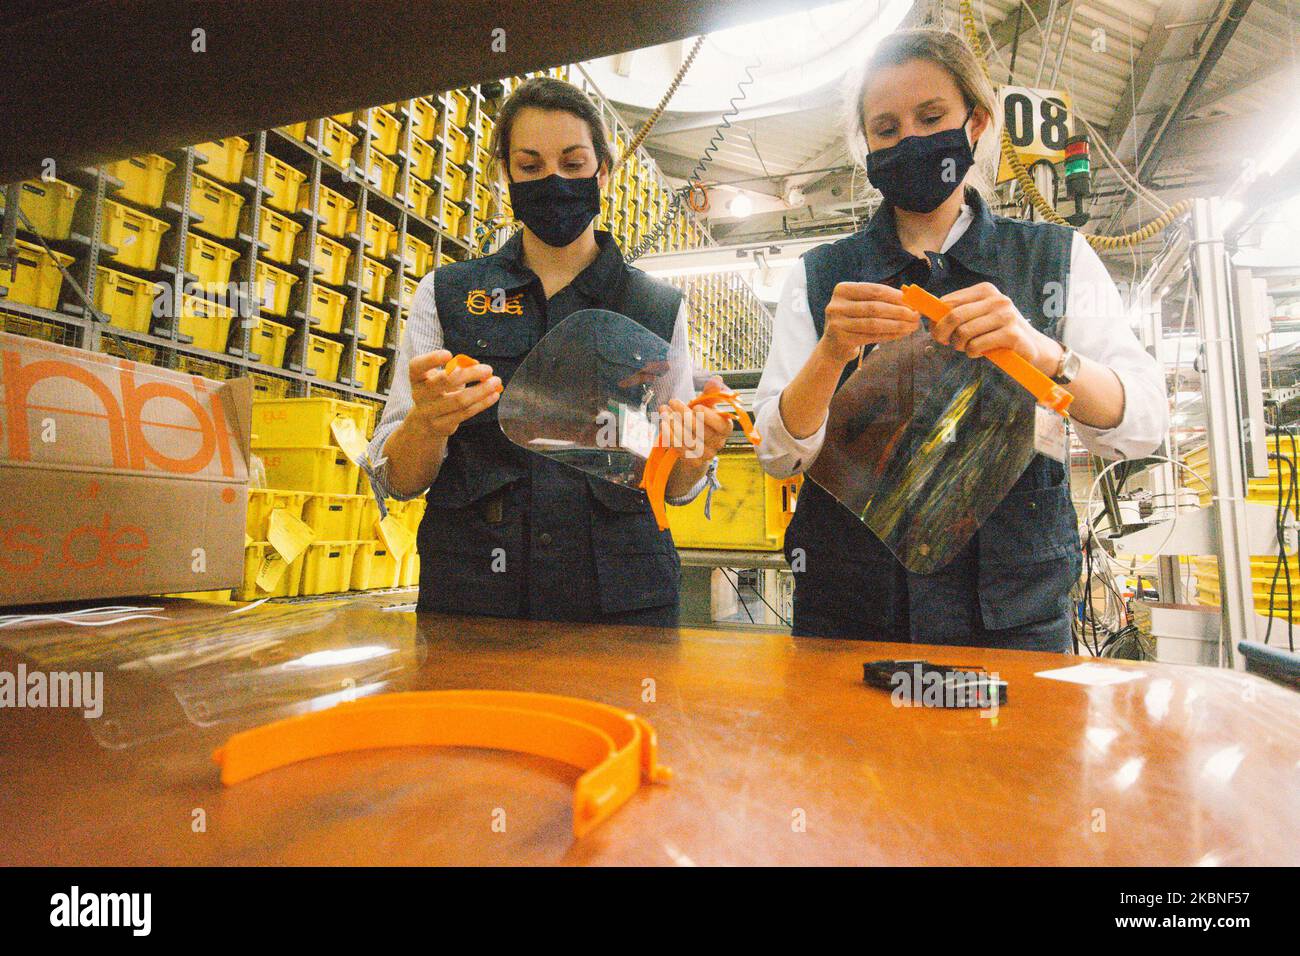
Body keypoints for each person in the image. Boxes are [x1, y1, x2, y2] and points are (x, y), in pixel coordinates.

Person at [753, 29, 1168, 651]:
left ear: (974, 121)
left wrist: (1042, 352)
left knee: (1012, 754)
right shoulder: (820, 278)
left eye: (931, 117)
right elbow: (778, 454)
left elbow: (1142, 424)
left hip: (1011, 620)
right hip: (855, 619)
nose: (911, 140)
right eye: (886, 128)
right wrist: (830, 355)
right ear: (866, 146)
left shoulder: (1056, 259)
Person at [364, 77, 730, 625]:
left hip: (621, 601)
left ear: (603, 172)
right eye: (530, 166)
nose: (553, 180)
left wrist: (697, 452)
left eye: (573, 162)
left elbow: (673, 489)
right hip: (477, 598)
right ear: (505, 176)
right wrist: (428, 423)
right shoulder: (447, 294)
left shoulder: (656, 306)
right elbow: (398, 479)